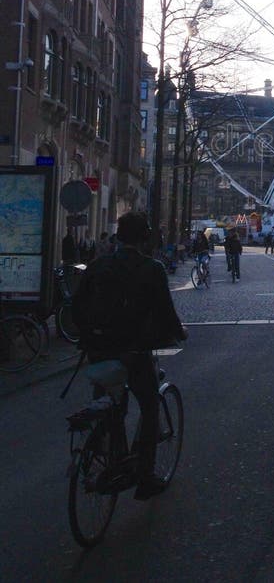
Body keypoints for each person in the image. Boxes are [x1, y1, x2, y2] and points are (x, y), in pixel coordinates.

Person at [73, 211, 187, 501]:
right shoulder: (151, 268)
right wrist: (179, 333)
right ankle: (145, 478)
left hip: (99, 350)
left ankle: (103, 452)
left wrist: (87, 338)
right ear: (145, 237)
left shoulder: (98, 266)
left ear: (118, 236)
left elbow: (76, 305)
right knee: (149, 407)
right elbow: (165, 311)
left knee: (109, 401)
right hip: (134, 351)